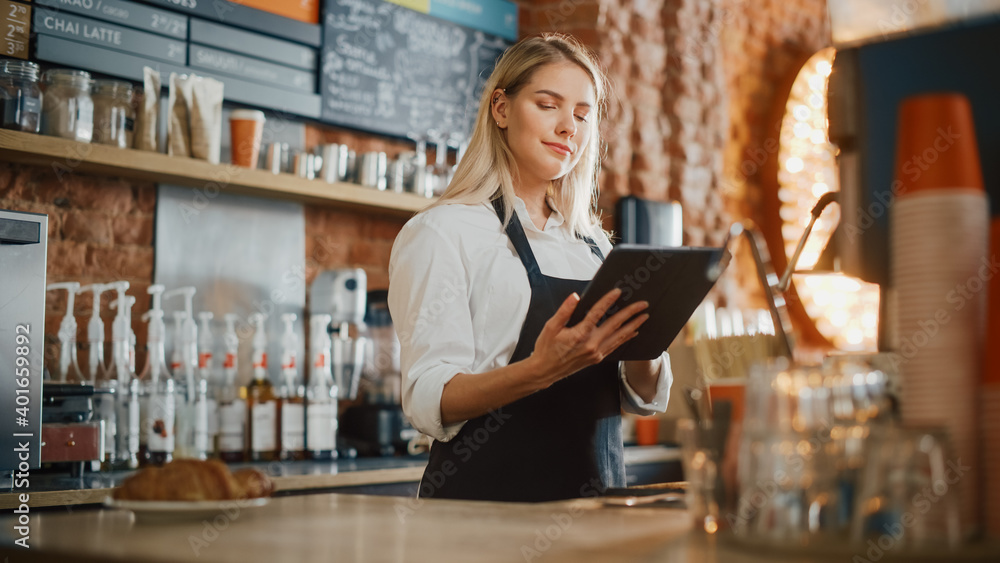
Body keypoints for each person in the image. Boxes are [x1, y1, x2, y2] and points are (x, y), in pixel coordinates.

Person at [387, 33, 672, 502]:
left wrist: (649, 332)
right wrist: (539, 370)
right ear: (501, 108)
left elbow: (638, 396)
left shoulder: (595, 245)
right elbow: (427, 398)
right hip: (482, 517)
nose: (569, 128)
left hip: (597, 517)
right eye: (548, 105)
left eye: (582, 115)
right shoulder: (443, 232)